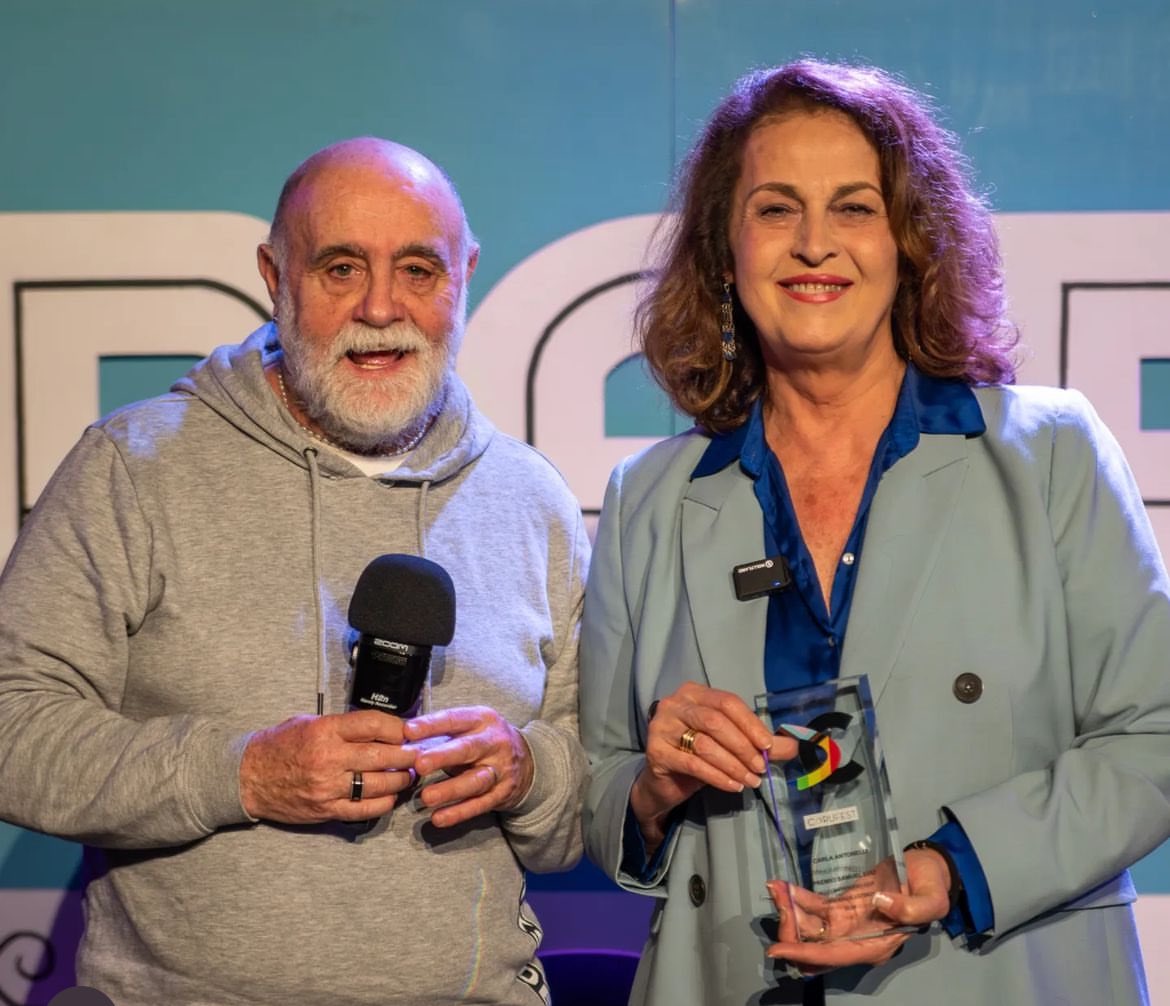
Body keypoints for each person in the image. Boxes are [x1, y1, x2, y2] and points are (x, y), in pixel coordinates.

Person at [579, 59, 1170, 1006]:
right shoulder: (650, 496)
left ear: (910, 244)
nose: (815, 245)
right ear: (724, 253)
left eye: (854, 208)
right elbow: (599, 789)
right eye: (776, 210)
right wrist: (653, 785)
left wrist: (942, 870)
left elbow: (1156, 736)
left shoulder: (1047, 452)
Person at [0, 137, 590, 1006]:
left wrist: (529, 773)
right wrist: (242, 773)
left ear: (464, 276)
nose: (382, 308)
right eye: (341, 268)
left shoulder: (530, 499)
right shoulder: (135, 467)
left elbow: (589, 791)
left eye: (419, 270)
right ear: (276, 278)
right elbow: (13, 731)